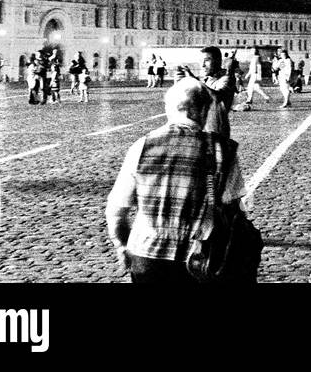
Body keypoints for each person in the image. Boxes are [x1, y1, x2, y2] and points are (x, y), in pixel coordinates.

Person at [105, 78, 250, 284]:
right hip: (200, 260)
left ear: (169, 108)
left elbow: (116, 210)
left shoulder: (142, 146)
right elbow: (233, 209)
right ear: (203, 111)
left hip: (147, 257)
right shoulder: (222, 149)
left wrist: (122, 246)